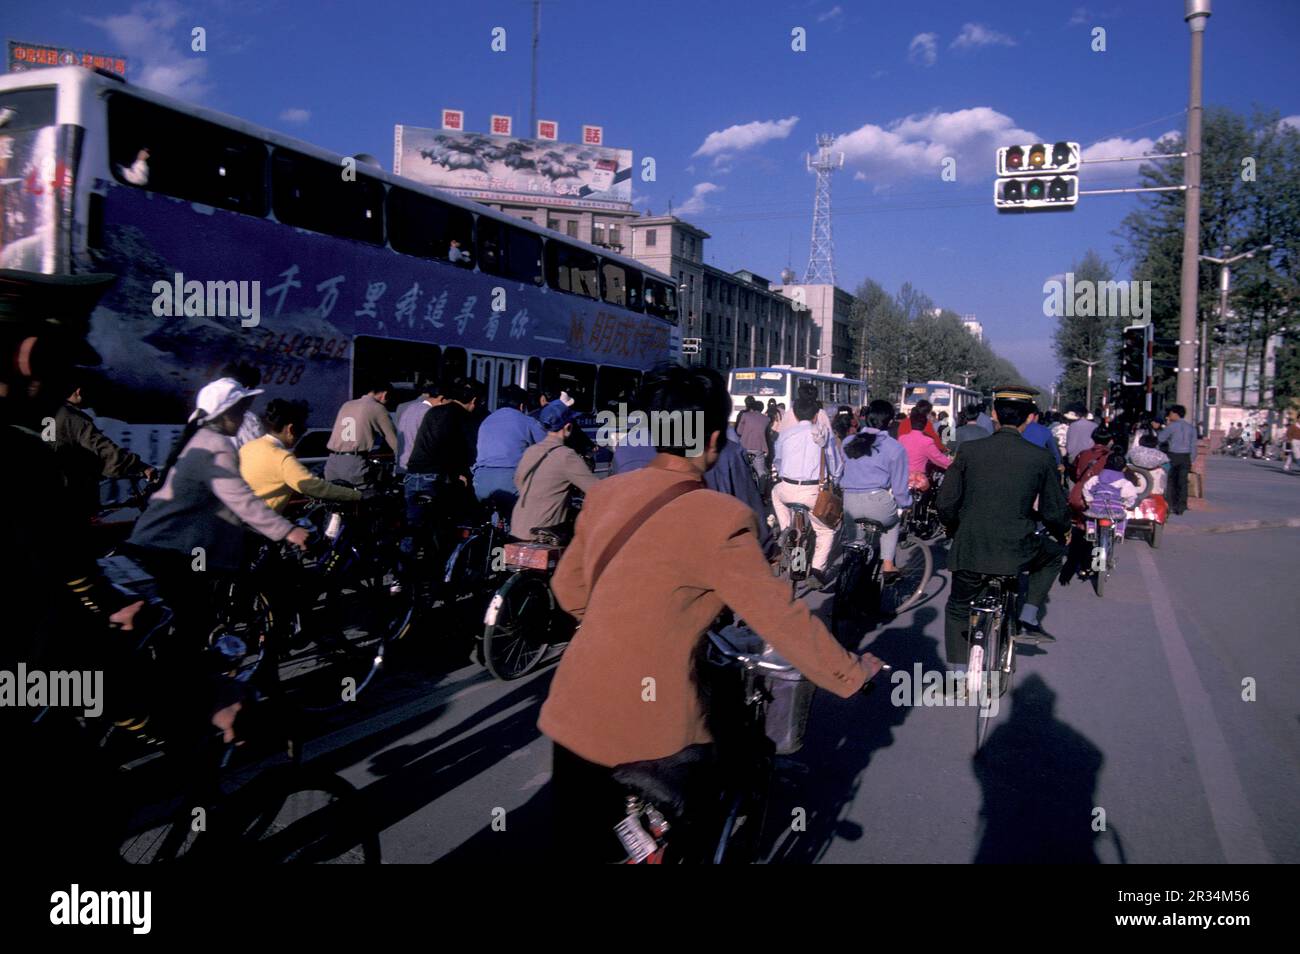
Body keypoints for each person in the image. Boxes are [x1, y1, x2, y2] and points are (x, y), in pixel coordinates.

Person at [537, 364, 883, 862]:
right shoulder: (720, 517)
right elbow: (779, 617)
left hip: (572, 715)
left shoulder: (606, 494)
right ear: (716, 438)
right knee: (700, 822)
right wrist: (851, 673)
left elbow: (569, 591)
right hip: (657, 733)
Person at [126, 379, 310, 741]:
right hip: (170, 554)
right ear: (226, 413)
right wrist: (287, 531)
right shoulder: (214, 445)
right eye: (240, 409)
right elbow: (238, 497)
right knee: (188, 630)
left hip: (160, 551)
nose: (245, 415)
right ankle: (175, 718)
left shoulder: (200, 441)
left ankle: (175, 708)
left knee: (180, 631)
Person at [936, 385, 1068, 661]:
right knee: (1054, 555)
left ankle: (960, 674)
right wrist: (1062, 533)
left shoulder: (969, 451)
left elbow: (946, 502)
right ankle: (1029, 616)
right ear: (1031, 417)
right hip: (1018, 548)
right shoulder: (1040, 457)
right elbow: (1053, 511)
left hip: (970, 546)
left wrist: (952, 528)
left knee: (959, 608)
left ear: (994, 413)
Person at [54, 375, 156, 519]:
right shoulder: (74, 420)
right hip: (70, 503)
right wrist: (141, 468)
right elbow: (105, 453)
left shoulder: (43, 413)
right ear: (79, 391)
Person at [239, 398, 363, 512]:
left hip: (239, 517)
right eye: (302, 430)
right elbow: (314, 487)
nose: (301, 435)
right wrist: (358, 495)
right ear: (290, 429)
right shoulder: (282, 458)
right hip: (262, 523)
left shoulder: (248, 447)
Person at [772, 393, 843, 587]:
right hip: (812, 492)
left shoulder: (786, 434)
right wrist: (836, 479)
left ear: (794, 414)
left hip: (786, 487)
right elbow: (834, 464)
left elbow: (777, 461)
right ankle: (817, 570)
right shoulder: (822, 434)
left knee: (775, 494)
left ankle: (787, 529)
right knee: (825, 530)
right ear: (815, 415)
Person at [510, 401, 599, 542]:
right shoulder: (567, 456)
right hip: (545, 532)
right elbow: (596, 490)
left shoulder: (531, 450)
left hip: (517, 528)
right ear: (568, 427)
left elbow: (518, 481)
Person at [841, 400, 910, 577]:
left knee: (855, 544)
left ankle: (800, 569)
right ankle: (888, 565)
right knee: (892, 524)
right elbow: (900, 488)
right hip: (877, 500)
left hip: (848, 500)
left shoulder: (848, 441)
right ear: (890, 422)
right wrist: (906, 505)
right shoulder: (895, 447)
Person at [404, 376, 479, 540]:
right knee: (440, 527)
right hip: (435, 477)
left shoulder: (434, 411)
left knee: (412, 527)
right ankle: (438, 562)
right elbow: (463, 450)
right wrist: (459, 473)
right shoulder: (462, 416)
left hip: (413, 474)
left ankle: (404, 562)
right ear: (473, 401)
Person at [474, 383, 546, 518]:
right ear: (521, 406)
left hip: (480, 481)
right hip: (510, 480)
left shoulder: (487, 420)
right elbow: (548, 446)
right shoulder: (527, 421)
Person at [324, 377, 398, 487]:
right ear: (385, 394)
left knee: (335, 499)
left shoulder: (347, 405)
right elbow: (394, 441)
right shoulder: (377, 408)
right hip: (354, 464)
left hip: (332, 461)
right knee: (365, 497)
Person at [898, 404, 952, 493]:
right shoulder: (927, 441)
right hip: (917, 479)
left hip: (901, 476)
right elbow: (938, 459)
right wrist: (952, 464)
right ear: (924, 425)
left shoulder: (902, 438)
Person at [396, 376, 443, 471]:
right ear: (442, 399)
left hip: (402, 464)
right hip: (418, 468)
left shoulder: (409, 407)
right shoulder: (430, 412)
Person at [1157, 404, 1196, 515]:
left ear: (1175, 413)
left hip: (1173, 455)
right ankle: (1181, 506)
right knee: (1183, 482)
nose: (1169, 416)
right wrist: (1191, 460)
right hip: (1186, 456)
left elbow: (1160, 438)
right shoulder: (1191, 428)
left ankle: (1169, 504)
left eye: (1170, 414)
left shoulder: (1172, 426)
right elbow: (1194, 446)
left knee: (1170, 481)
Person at [735, 396, 773, 494]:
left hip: (744, 447)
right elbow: (768, 435)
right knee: (761, 472)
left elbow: (739, 431)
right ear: (762, 409)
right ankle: (761, 494)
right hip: (758, 449)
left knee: (740, 469)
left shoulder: (745, 415)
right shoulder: (767, 419)